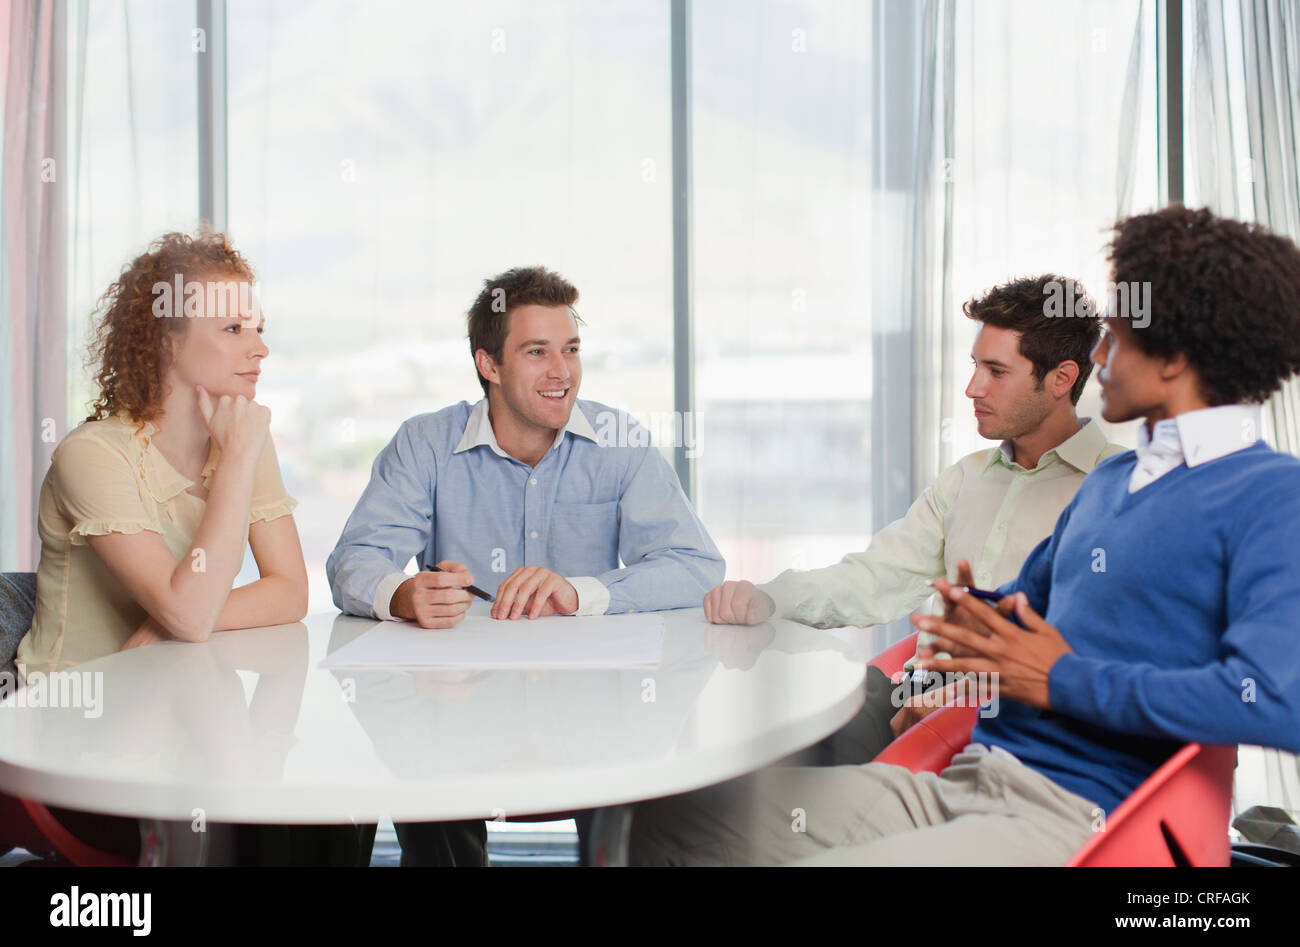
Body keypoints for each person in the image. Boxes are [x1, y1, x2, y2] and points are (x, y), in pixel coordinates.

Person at [630, 205, 1300, 865]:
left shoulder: (1269, 494)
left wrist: (1061, 679)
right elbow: (1009, 612)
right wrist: (961, 661)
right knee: (676, 820)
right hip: (968, 778)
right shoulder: (1113, 483)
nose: (1098, 355)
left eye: (1117, 338)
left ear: (1175, 359)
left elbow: (1277, 700)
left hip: (1079, 816)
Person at [327, 264, 724, 865]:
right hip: (454, 711)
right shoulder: (425, 444)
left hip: (592, 707)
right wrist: (404, 595)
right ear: (490, 365)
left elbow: (696, 566)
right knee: (417, 768)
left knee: (640, 774)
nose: (562, 371)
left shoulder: (620, 441)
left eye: (570, 350)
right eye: (537, 352)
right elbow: (353, 561)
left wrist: (580, 591)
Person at [15, 230, 366, 864]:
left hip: (192, 724)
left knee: (336, 804)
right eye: (233, 329)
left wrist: (169, 626)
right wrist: (182, 618)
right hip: (83, 747)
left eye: (256, 328)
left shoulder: (241, 436)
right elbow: (190, 613)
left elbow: (289, 589)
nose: (260, 348)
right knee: (273, 816)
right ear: (166, 340)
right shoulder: (93, 454)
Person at [706, 275, 1125, 763]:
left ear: (1061, 378)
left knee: (791, 792)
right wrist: (769, 598)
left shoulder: (1115, 487)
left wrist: (968, 699)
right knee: (758, 744)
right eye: (975, 366)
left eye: (996, 371)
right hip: (912, 695)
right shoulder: (964, 479)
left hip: (1006, 722)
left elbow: (1092, 651)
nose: (973, 388)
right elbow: (877, 576)